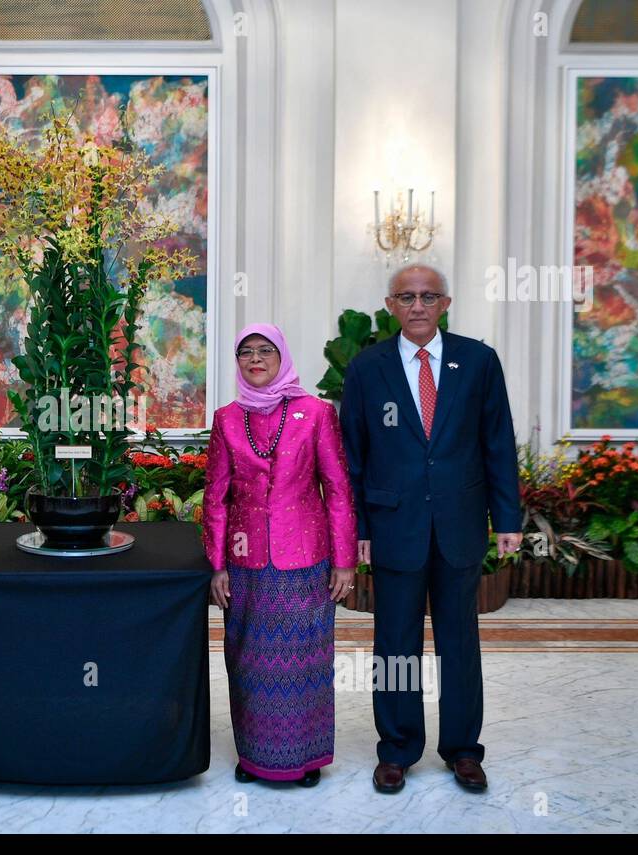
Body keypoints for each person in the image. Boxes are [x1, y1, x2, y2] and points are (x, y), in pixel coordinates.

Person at [340, 264, 522, 795]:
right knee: (394, 645)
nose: (417, 305)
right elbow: (354, 455)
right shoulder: (367, 367)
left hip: (460, 525)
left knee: (459, 642)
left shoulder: (479, 362)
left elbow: (498, 443)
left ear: (446, 303)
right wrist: (358, 527)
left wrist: (506, 518)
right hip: (394, 526)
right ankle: (396, 750)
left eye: (428, 296)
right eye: (406, 296)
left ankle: (464, 750)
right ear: (390, 305)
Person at [202, 323, 357, 787]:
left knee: (304, 660)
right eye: (246, 352)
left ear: (282, 355)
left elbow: (338, 488)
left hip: (304, 560)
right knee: (248, 659)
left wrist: (345, 559)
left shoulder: (315, 413)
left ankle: (305, 759)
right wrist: (216, 564)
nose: (255, 359)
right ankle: (253, 758)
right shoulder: (227, 417)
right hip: (246, 561)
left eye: (265, 351)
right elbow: (216, 496)